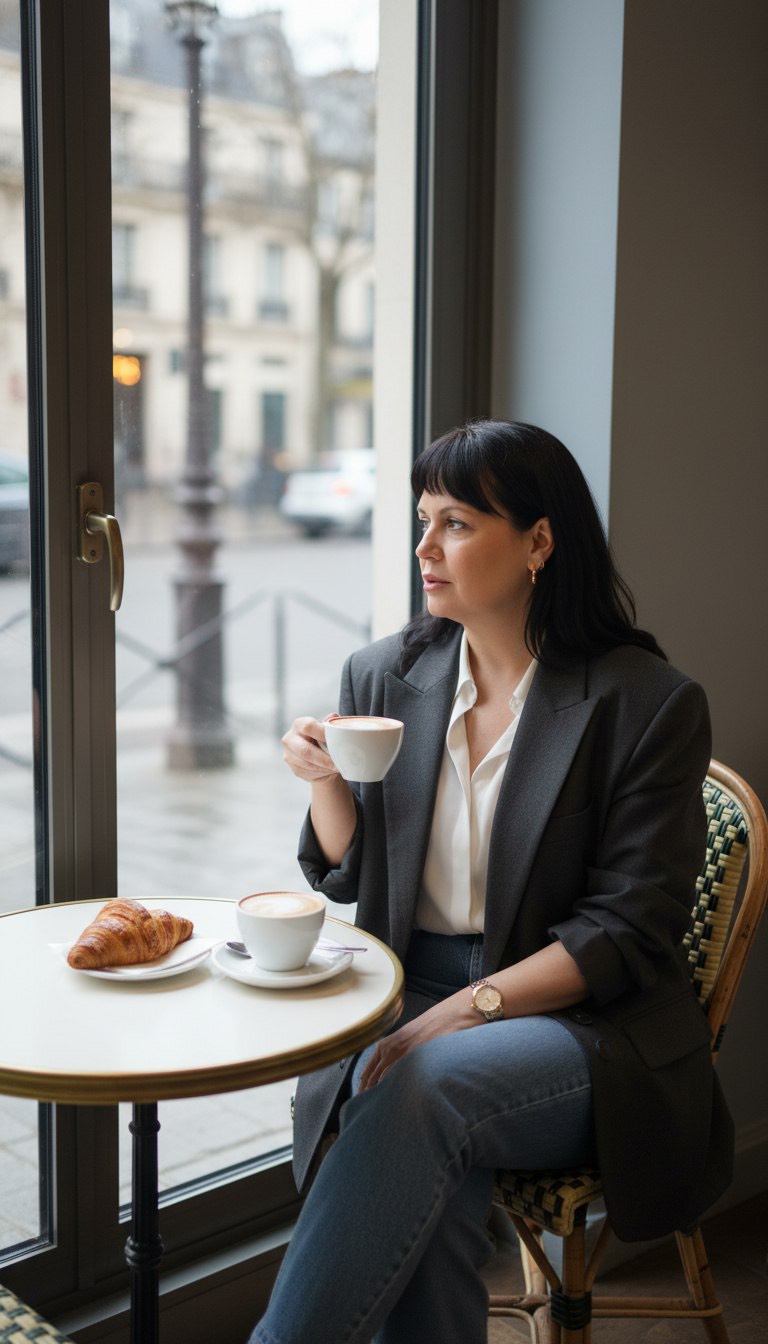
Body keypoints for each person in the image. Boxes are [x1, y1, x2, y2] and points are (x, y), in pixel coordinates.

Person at [250, 419, 733, 1344]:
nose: (425, 548)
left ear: (540, 542)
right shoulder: (388, 674)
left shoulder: (647, 703)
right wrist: (322, 785)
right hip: (411, 980)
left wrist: (461, 1010)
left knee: (423, 1085)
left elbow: (626, 934)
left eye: (458, 524)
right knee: (420, 1141)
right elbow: (356, 875)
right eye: (423, 520)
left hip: (585, 1021)